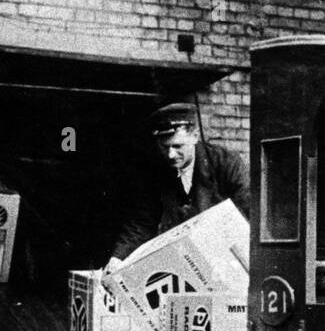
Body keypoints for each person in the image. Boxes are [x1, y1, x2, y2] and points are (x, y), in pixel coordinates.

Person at [105, 103, 249, 269]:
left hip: (225, 259)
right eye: (164, 147)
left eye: (177, 146)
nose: (171, 155)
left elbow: (246, 214)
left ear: (194, 136)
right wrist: (118, 258)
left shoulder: (226, 164)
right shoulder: (155, 172)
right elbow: (142, 223)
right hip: (182, 262)